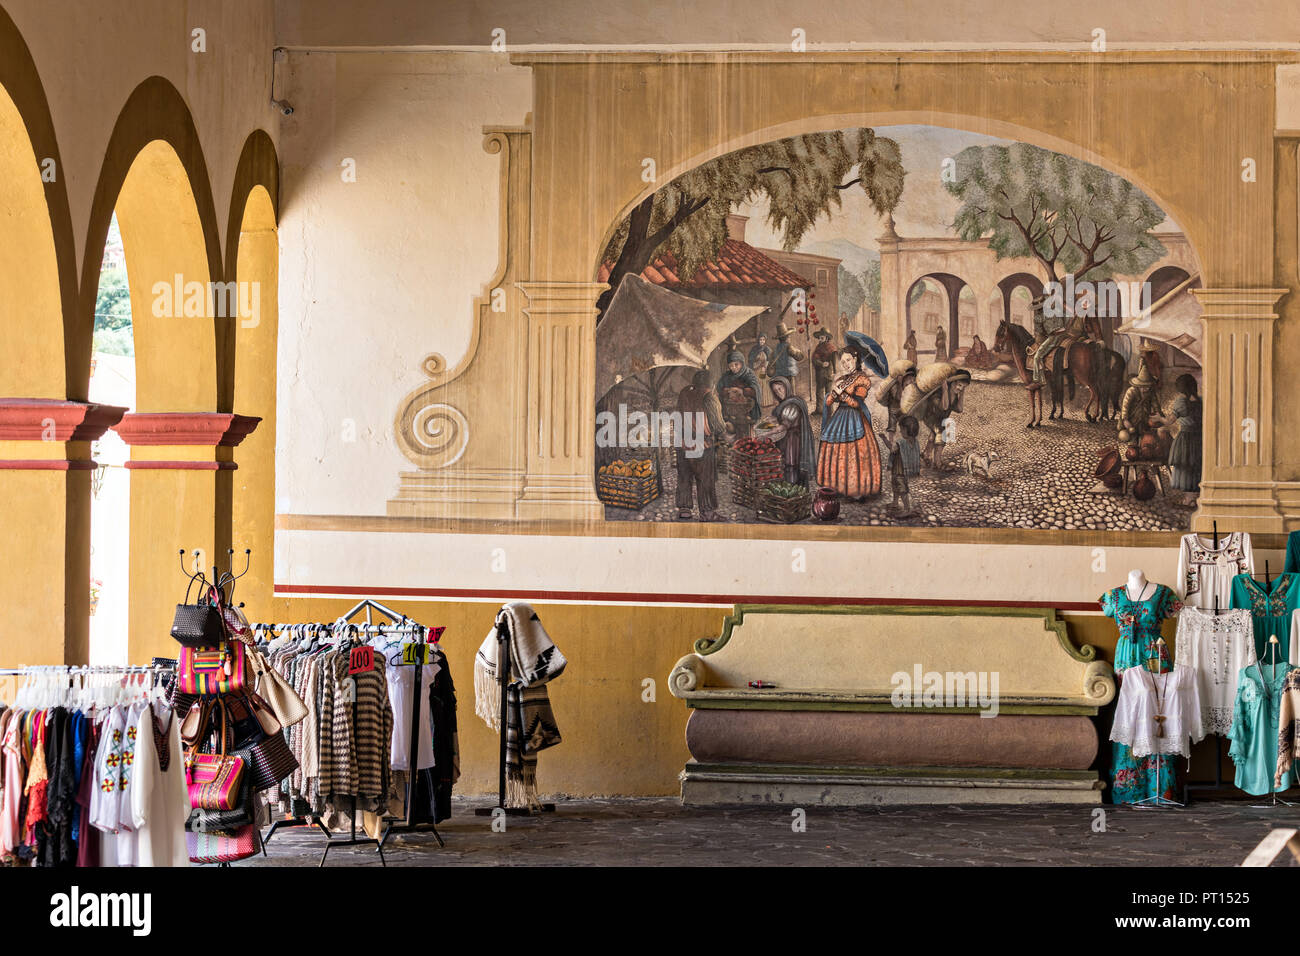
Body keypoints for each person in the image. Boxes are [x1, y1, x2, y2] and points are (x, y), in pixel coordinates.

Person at [817, 333, 885, 501]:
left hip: (855, 418)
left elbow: (857, 403)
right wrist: (832, 395)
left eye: (848, 360)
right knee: (835, 450)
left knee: (856, 453)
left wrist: (844, 395)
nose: (846, 364)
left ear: (856, 359)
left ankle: (856, 488)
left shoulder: (862, 379)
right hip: (839, 417)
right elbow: (830, 401)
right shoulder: (842, 379)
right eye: (843, 362)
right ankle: (838, 486)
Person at [675, 369, 726, 522]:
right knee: (705, 478)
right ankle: (707, 513)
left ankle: (684, 509)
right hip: (701, 444)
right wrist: (725, 428)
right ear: (712, 384)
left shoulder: (684, 393)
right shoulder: (709, 397)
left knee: (684, 476)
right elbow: (717, 426)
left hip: (682, 442)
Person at [769, 376, 815, 487]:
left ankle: (793, 491)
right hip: (785, 439)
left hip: (793, 441)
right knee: (785, 464)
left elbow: (784, 426)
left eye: (780, 388)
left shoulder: (792, 404)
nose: (779, 393)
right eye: (775, 391)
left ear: (787, 387)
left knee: (791, 464)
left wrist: (767, 433)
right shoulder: (785, 404)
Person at [1164, 373, 1202, 497]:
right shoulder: (1200, 401)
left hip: (1186, 437)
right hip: (1199, 438)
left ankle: (1188, 497)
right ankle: (1194, 495)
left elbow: (1169, 421)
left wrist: (1159, 418)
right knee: (1195, 464)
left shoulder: (1181, 401)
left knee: (1185, 464)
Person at [1118, 363, 1165, 460]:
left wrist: (1160, 418)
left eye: (1148, 386)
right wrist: (1129, 426)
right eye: (1143, 386)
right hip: (1131, 422)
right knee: (1132, 445)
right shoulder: (1131, 392)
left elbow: (1157, 408)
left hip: (1145, 422)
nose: (1146, 388)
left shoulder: (1151, 393)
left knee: (1148, 444)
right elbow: (1124, 413)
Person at [717, 349, 762, 438]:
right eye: (731, 365)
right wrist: (728, 390)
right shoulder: (727, 376)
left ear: (742, 363)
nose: (733, 368)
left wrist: (742, 391)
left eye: (736, 364)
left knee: (748, 432)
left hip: (748, 409)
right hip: (731, 409)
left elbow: (755, 389)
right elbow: (720, 388)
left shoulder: (748, 374)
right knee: (733, 430)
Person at [1027, 294, 1065, 387]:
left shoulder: (1038, 317)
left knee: (1037, 357)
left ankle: (1037, 380)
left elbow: (1040, 334)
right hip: (1064, 335)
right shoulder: (1055, 309)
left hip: (1054, 337)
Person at [875, 359, 917, 440]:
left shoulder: (911, 385)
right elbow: (898, 397)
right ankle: (891, 441)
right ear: (904, 378)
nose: (911, 381)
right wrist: (900, 384)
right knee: (892, 426)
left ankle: (908, 439)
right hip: (894, 409)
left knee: (908, 424)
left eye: (912, 378)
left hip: (904, 408)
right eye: (909, 378)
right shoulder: (895, 386)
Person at [811, 329, 837, 414]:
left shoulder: (832, 348)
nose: (820, 340)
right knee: (819, 392)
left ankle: (830, 411)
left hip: (828, 374)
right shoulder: (818, 347)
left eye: (821, 338)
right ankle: (819, 410)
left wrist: (835, 371)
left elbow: (834, 361)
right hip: (820, 373)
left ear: (826, 338)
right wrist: (822, 364)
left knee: (828, 393)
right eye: (819, 338)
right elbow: (814, 359)